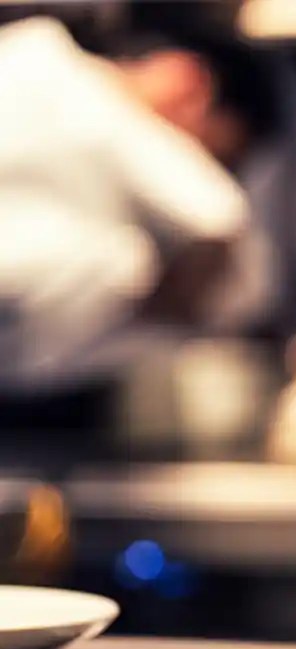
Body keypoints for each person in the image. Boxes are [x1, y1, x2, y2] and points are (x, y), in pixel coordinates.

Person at [0, 8, 280, 394]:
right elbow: (219, 219)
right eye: (209, 153)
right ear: (188, 86)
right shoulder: (56, 75)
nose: (197, 160)